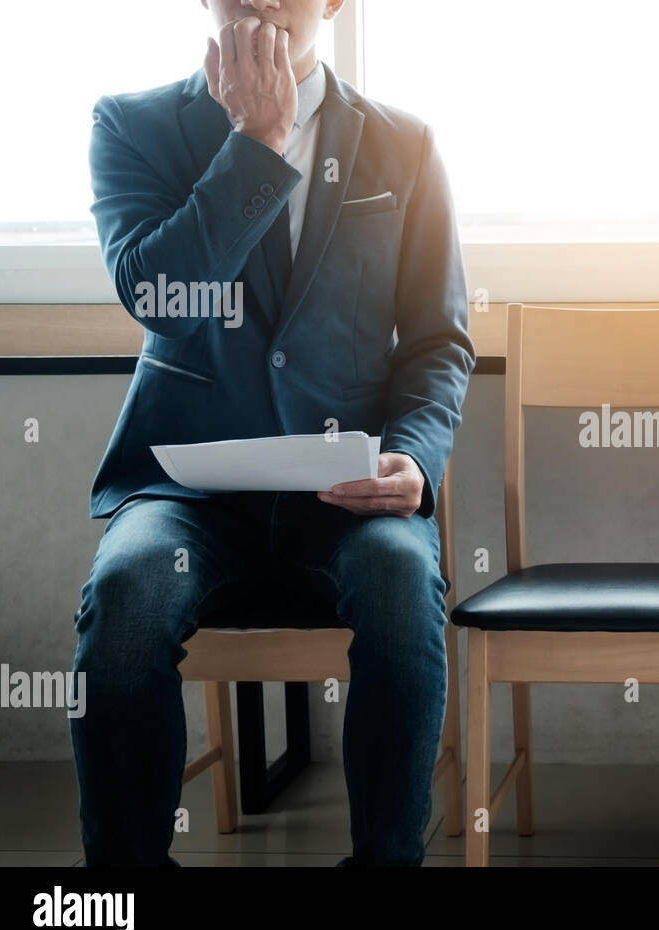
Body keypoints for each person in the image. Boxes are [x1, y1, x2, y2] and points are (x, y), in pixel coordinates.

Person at [71, 0, 473, 866]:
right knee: (127, 603)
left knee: (403, 593)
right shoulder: (133, 126)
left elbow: (439, 341)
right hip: (186, 495)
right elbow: (157, 297)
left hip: (346, 491)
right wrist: (255, 143)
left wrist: (418, 457)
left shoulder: (405, 143)